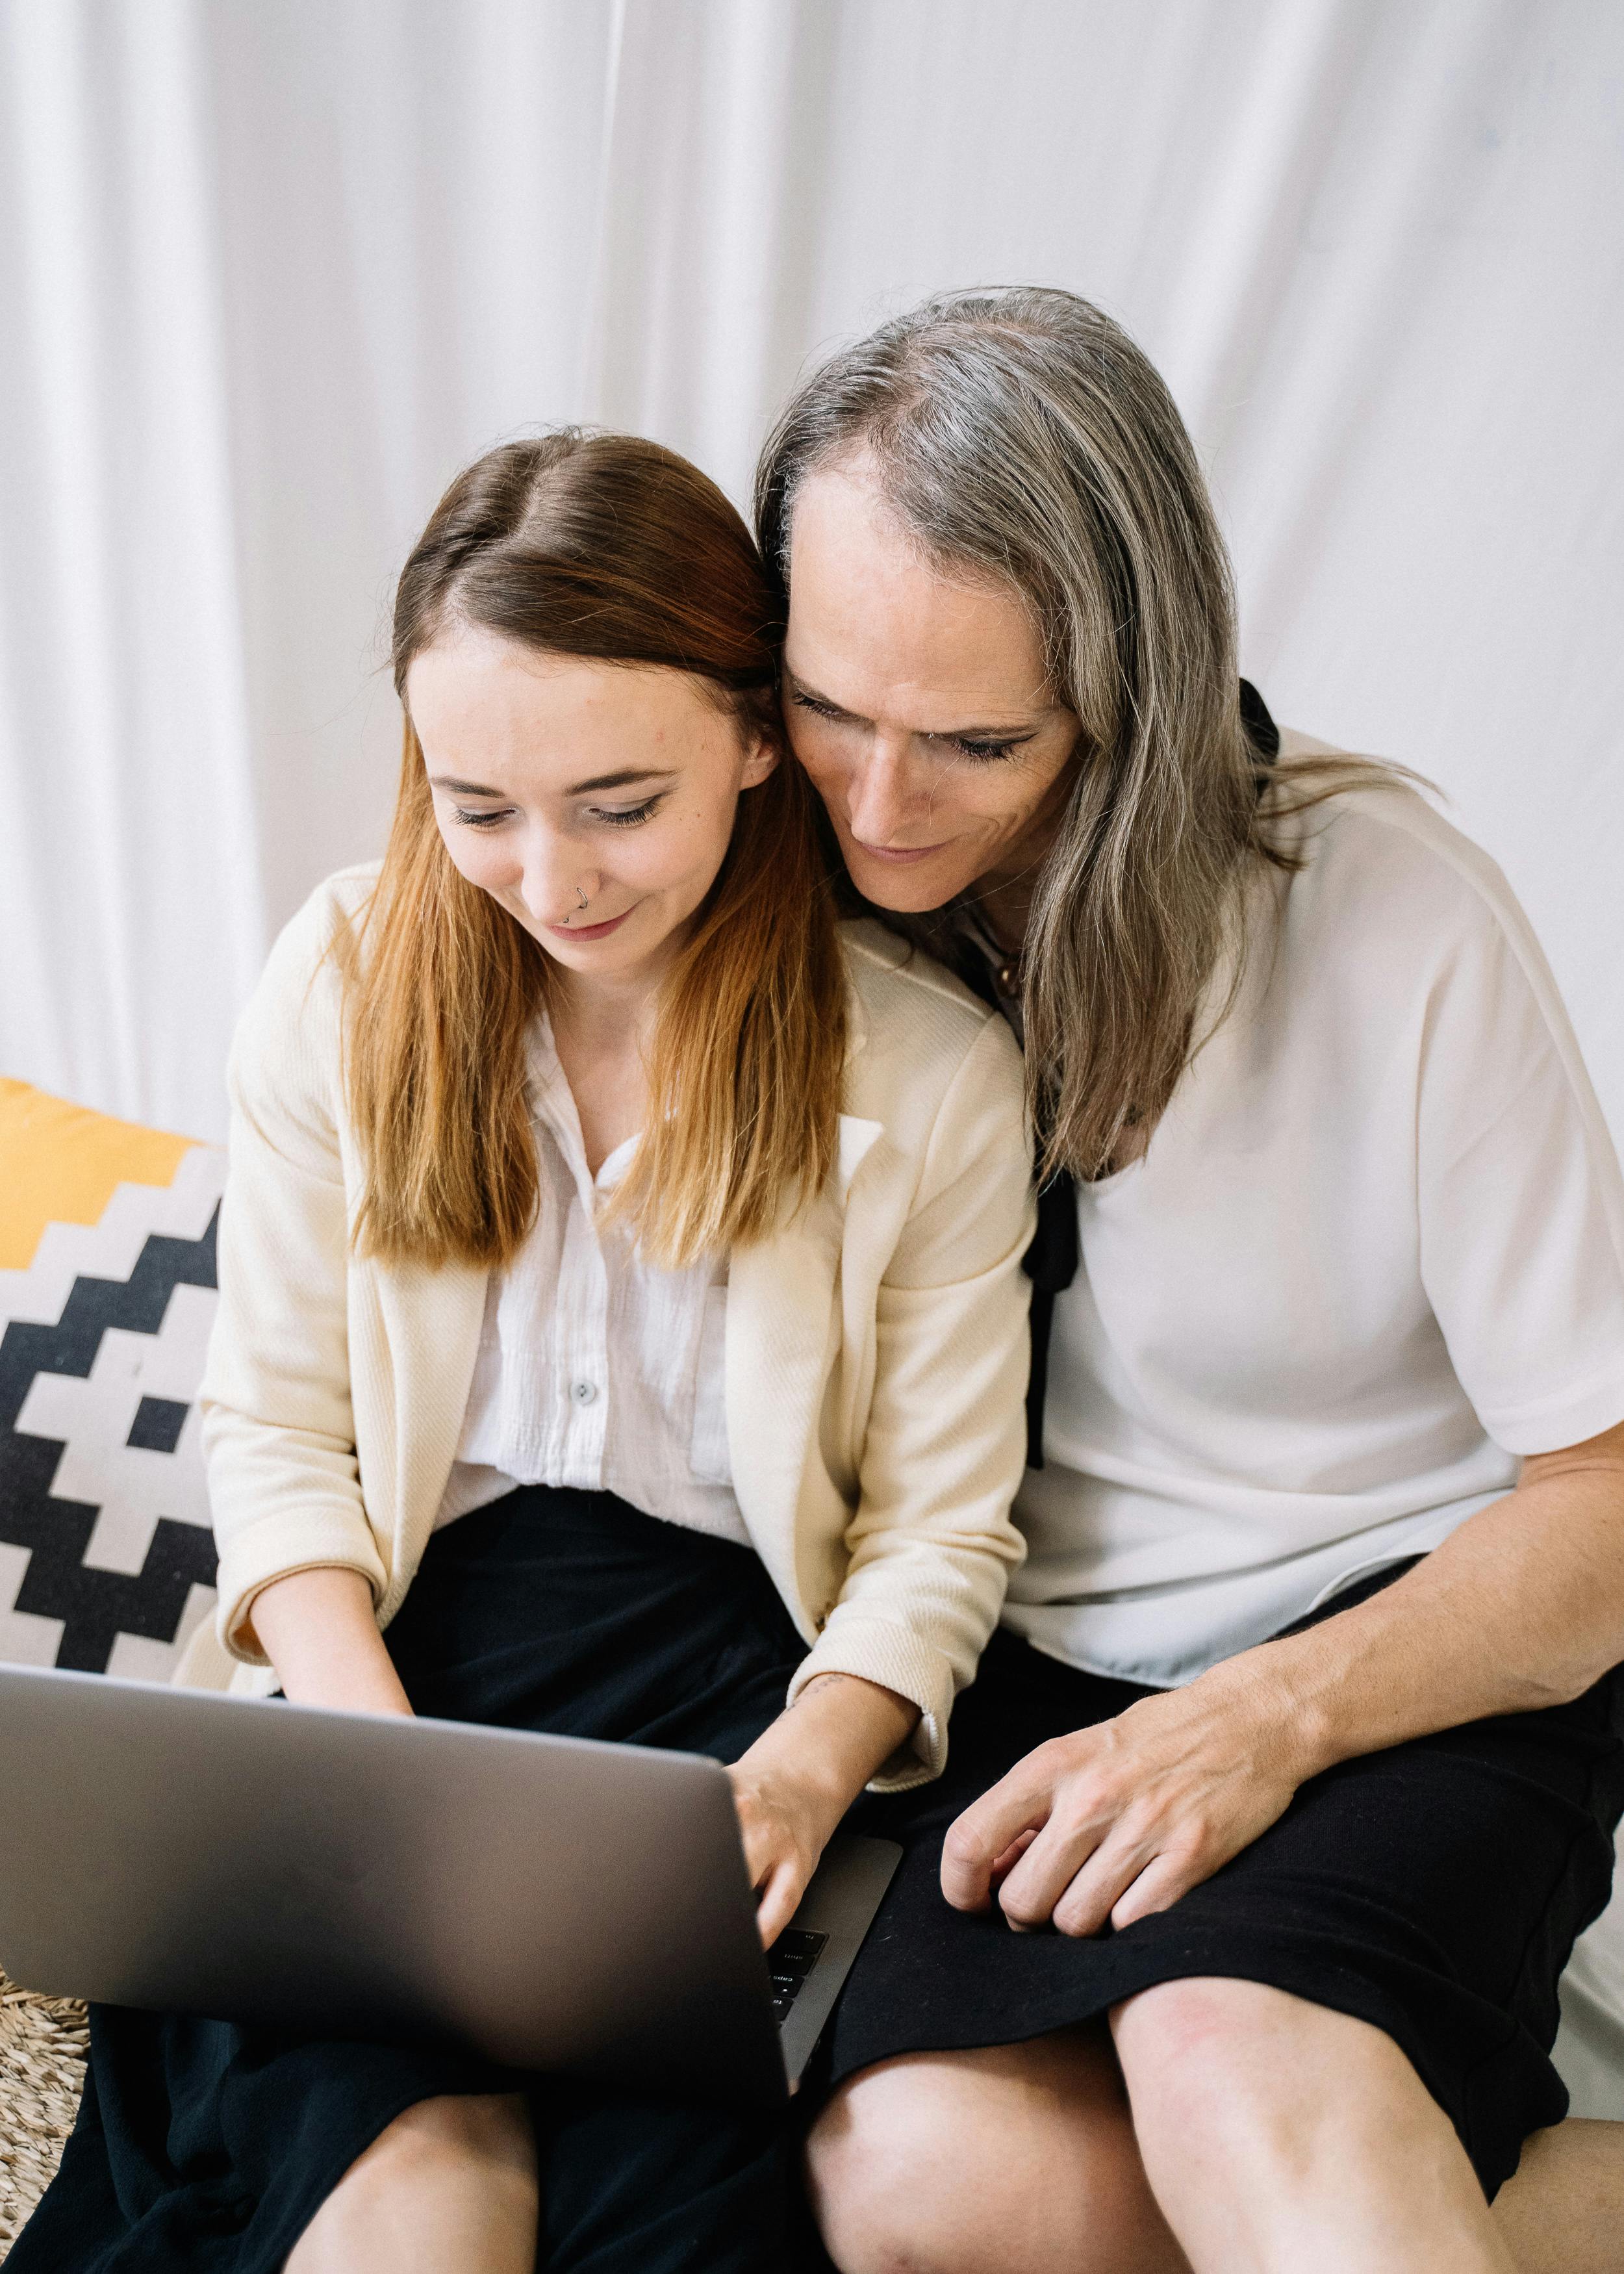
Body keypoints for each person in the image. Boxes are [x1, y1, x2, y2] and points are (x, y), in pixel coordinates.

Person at [8, 431, 1035, 2274]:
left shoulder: (930, 1073)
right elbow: (276, 1436)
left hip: (717, 1726)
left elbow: (942, 1535)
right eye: (477, 803)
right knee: (411, 2189)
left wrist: (808, 1764)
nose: (547, 875)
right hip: (376, 1675)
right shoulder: (340, 977)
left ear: (753, 735)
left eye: (617, 799)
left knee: (641, 2220)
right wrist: (379, 1793)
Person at [752, 288, 1624, 2274]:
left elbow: (1605, 1496)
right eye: (828, 711)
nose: (878, 808)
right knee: (917, 2186)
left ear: (1128, 701)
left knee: (1233, 2060)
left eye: (977, 741)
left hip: (1393, 1645)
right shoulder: (766, 905)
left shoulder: (1386, 912)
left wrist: (1268, 1718)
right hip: (1014, 1666)